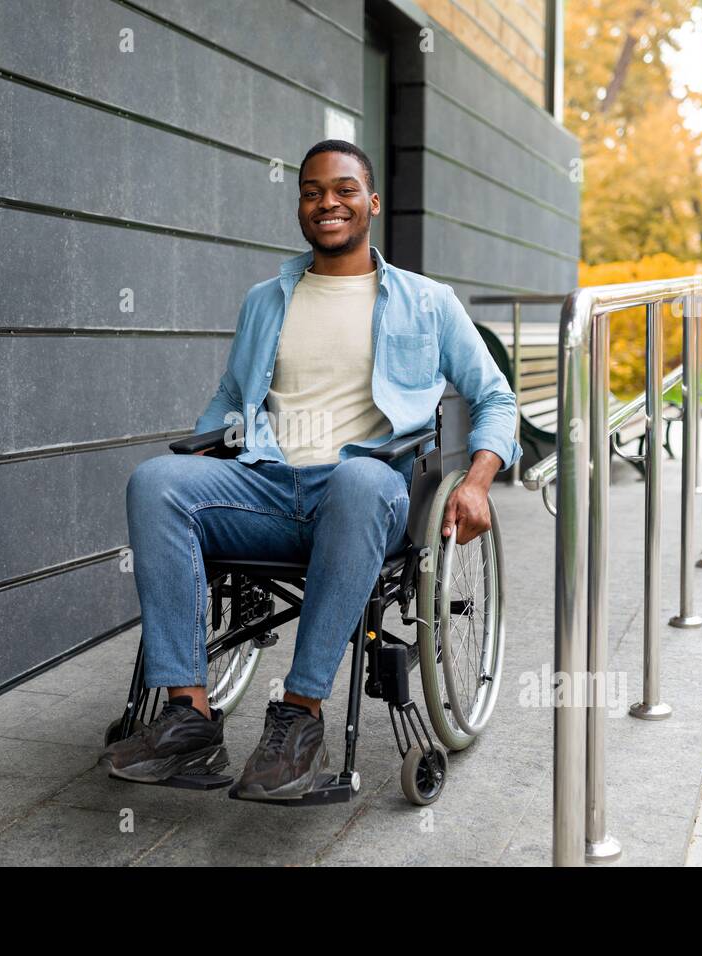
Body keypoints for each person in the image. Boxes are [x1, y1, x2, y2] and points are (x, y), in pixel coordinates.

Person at [99, 140, 520, 800]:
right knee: (155, 481)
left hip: (365, 491)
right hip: (267, 485)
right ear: (301, 205)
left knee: (358, 479)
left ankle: (299, 719)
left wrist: (476, 481)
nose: (329, 201)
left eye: (345, 189)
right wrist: (205, 450)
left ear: (372, 203)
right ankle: (189, 720)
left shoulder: (427, 302)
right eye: (313, 191)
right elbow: (231, 395)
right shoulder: (266, 300)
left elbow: (496, 396)